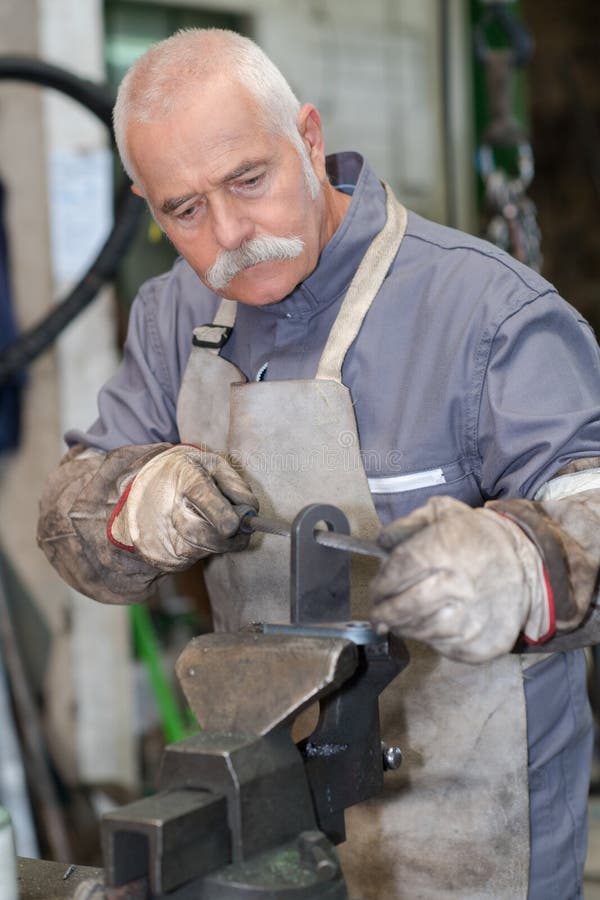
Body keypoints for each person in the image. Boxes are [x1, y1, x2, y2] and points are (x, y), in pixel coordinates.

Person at [37, 27, 600, 899]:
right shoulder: (168, 318)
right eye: (185, 210)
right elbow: (70, 518)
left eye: (248, 181)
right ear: (149, 208)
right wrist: (132, 504)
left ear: (306, 137)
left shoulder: (485, 311)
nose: (229, 233)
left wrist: (524, 567)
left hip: (474, 835)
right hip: (263, 825)